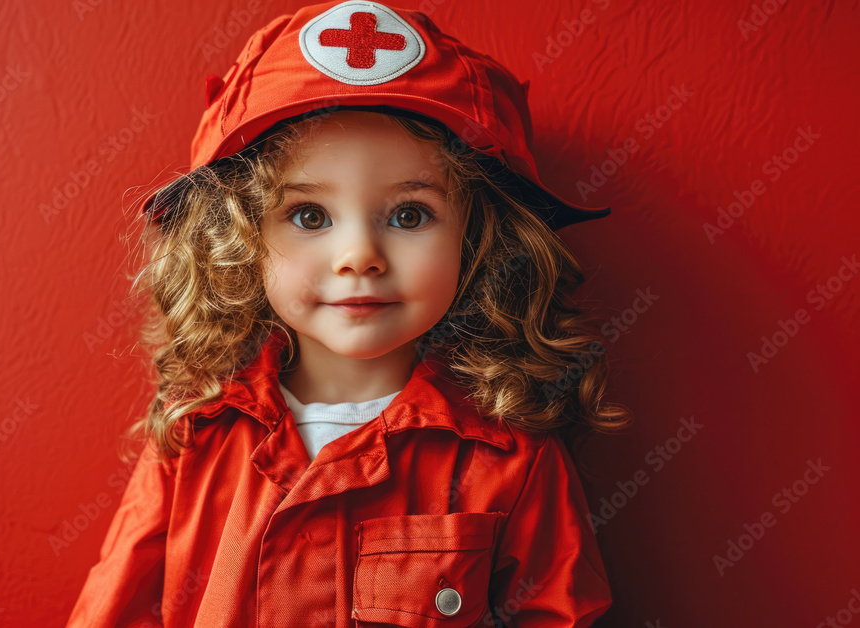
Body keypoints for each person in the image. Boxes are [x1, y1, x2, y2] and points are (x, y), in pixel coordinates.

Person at [67, 1, 632, 626]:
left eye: (410, 214)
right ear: (239, 236)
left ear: (476, 239)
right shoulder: (193, 434)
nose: (359, 255)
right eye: (309, 216)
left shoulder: (512, 456)